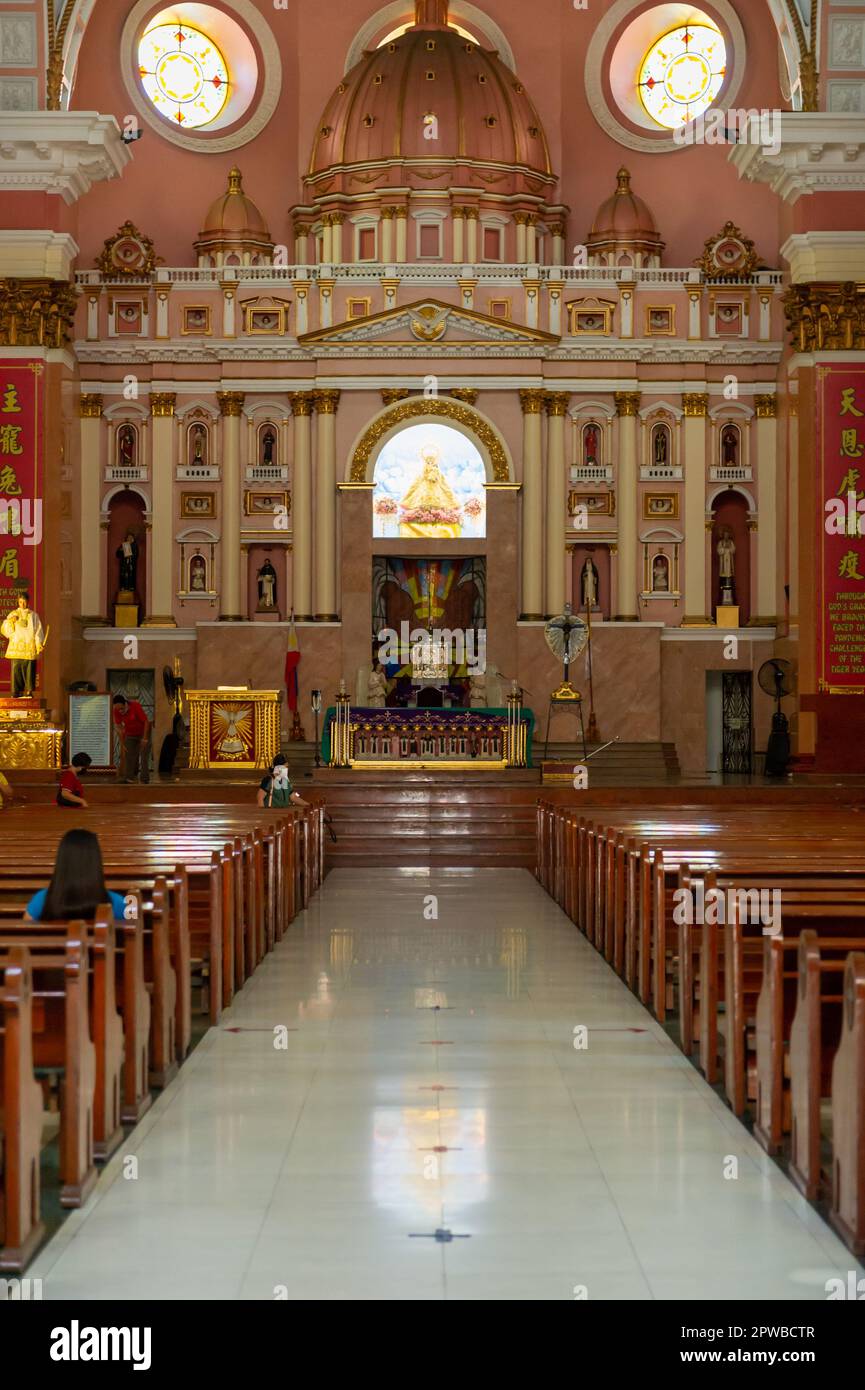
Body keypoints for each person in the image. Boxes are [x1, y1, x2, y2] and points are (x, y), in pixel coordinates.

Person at [23, 828, 125, 923]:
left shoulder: (41, 900)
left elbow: (26, 936)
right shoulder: (117, 903)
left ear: (62, 862)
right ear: (96, 863)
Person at [1, 591, 45, 698]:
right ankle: (16, 691)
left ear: (28, 602)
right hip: (17, 647)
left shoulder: (34, 616)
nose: (22, 604)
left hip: (29, 647)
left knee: (30, 670)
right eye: (20, 602)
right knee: (16, 670)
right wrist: (11, 621)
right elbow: (5, 629)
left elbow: (38, 631)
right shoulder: (13, 614)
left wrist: (38, 643)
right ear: (18, 602)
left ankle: (29, 691)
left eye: (24, 602)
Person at [112, 693, 151, 784]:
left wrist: (145, 739)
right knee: (129, 755)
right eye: (118, 709)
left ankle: (144, 779)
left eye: (121, 708)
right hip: (130, 734)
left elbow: (146, 722)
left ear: (125, 704)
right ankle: (129, 778)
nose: (120, 711)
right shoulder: (116, 710)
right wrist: (123, 744)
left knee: (144, 755)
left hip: (143, 732)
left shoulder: (135, 706)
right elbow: (120, 728)